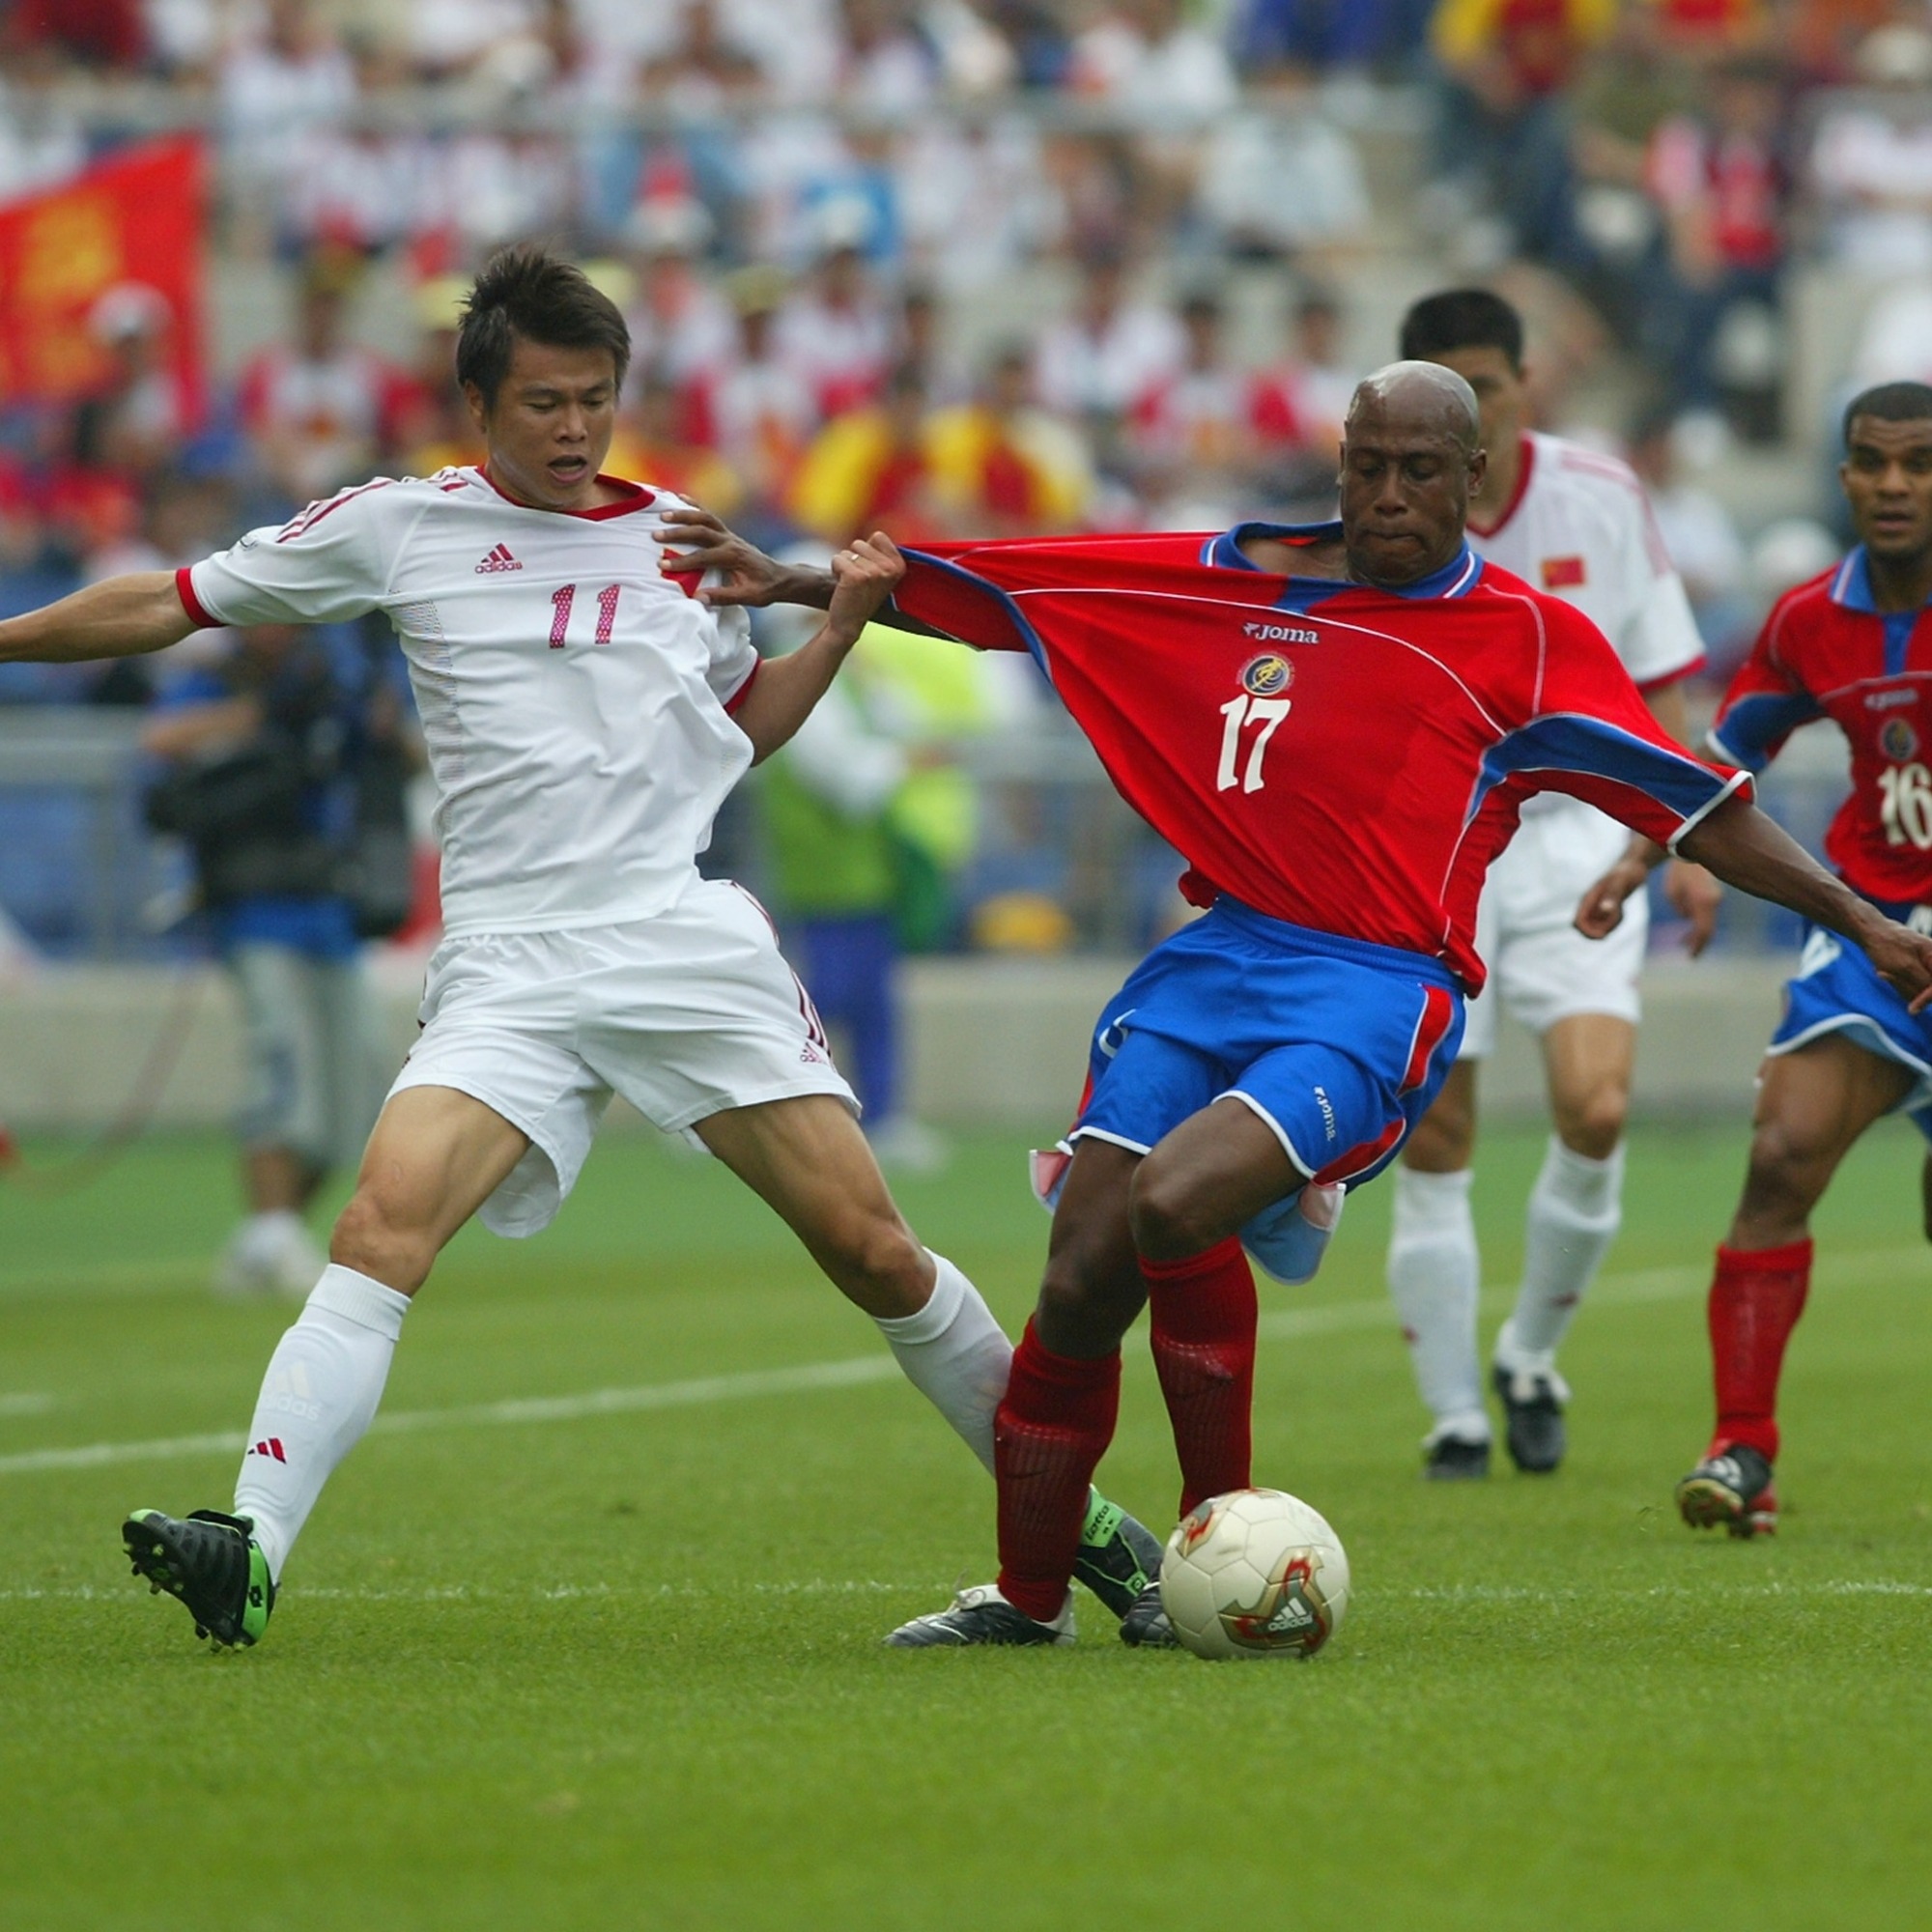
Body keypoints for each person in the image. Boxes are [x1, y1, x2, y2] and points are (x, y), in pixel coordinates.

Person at [0, 245, 1160, 1648]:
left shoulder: (679, 538)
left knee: (874, 1252)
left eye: (595, 399)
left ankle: (1087, 1532)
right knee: (378, 1230)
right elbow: (171, 599)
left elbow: (735, 733)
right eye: (543, 402)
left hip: (673, 936)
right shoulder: (397, 524)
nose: (573, 428)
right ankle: (248, 1545)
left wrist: (840, 631)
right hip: (506, 961)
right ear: (478, 406)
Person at [668, 361, 1932, 1646]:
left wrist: (1866, 924)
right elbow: (1013, 590)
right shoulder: (1236, 573)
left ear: (1471, 480)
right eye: (1367, 466)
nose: (1388, 495)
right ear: (1339, 465)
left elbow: (1703, 810)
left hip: (1377, 987)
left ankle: (1219, 1541)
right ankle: (1031, 1598)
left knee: (1176, 1199)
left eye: (1419, 472)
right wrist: (803, 582)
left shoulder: (1523, 638)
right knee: (1082, 1275)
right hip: (1214, 961)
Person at [1579, 382, 1932, 1539]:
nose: (1893, 484)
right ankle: (1740, 1447)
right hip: (1872, 931)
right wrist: (1639, 861)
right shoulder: (1806, 619)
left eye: (1917, 463)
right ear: (1842, 477)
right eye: (1872, 462)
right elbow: (1718, 763)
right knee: (1779, 1155)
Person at [1385, 289, 1720, 1479]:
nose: (1470, 411)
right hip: (1431, 843)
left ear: (1524, 384)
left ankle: (1527, 1355)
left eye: (1486, 385)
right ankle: (1453, 1416)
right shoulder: (1381, 509)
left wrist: (1683, 840)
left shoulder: (1599, 494)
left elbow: (1660, 676)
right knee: (1436, 1126)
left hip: (1578, 832)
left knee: (1595, 1106)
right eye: (1445, 391)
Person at [140, 619, 391, 1297]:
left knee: (361, 1082)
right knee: (283, 1067)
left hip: (328, 905)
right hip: (252, 906)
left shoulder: (326, 679)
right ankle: (273, 1231)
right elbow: (157, 739)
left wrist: (371, 721)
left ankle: (270, 1236)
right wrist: (250, 718)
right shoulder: (216, 679)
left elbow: (386, 748)